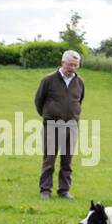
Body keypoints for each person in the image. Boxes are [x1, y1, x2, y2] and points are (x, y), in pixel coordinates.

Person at [33, 50, 84, 199]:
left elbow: (79, 101)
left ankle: (64, 190)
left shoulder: (80, 82)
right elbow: (38, 100)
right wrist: (48, 116)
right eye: (70, 65)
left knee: (67, 160)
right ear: (62, 63)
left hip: (71, 127)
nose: (73, 68)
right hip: (52, 126)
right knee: (49, 159)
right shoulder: (48, 80)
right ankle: (45, 190)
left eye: (76, 65)